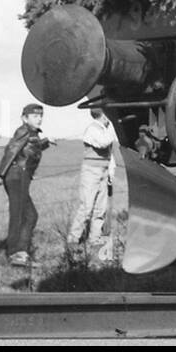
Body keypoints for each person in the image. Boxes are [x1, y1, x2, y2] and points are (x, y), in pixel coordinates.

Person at [0, 103, 55, 266]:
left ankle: (20, 252)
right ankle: (15, 253)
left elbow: (29, 149)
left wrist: (46, 142)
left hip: (22, 176)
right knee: (20, 215)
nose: (39, 118)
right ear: (24, 118)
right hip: (17, 175)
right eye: (35, 116)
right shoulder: (23, 131)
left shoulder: (31, 134)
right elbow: (12, 150)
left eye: (41, 115)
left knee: (30, 215)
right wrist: (0, 175)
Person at [67, 108, 118, 264]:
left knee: (100, 208)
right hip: (91, 171)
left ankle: (94, 238)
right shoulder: (93, 129)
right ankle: (73, 239)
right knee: (87, 206)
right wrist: (113, 129)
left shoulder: (102, 129)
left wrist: (110, 172)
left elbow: (109, 154)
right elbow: (103, 143)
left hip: (101, 170)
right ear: (103, 114)